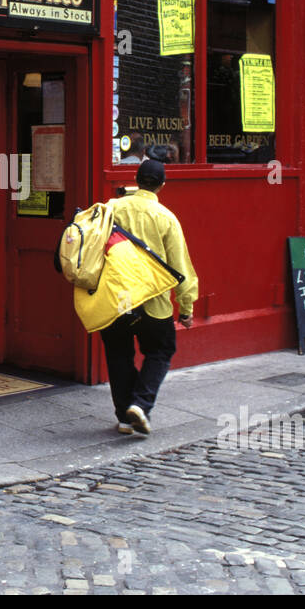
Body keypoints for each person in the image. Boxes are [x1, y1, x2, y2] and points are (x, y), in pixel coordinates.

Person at [101, 158, 198, 437]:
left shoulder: (111, 208)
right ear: (162, 185)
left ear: (137, 178)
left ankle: (124, 417)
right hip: (153, 303)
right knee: (160, 350)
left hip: (116, 299)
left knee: (119, 355)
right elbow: (181, 268)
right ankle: (141, 404)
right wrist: (186, 307)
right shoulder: (166, 217)